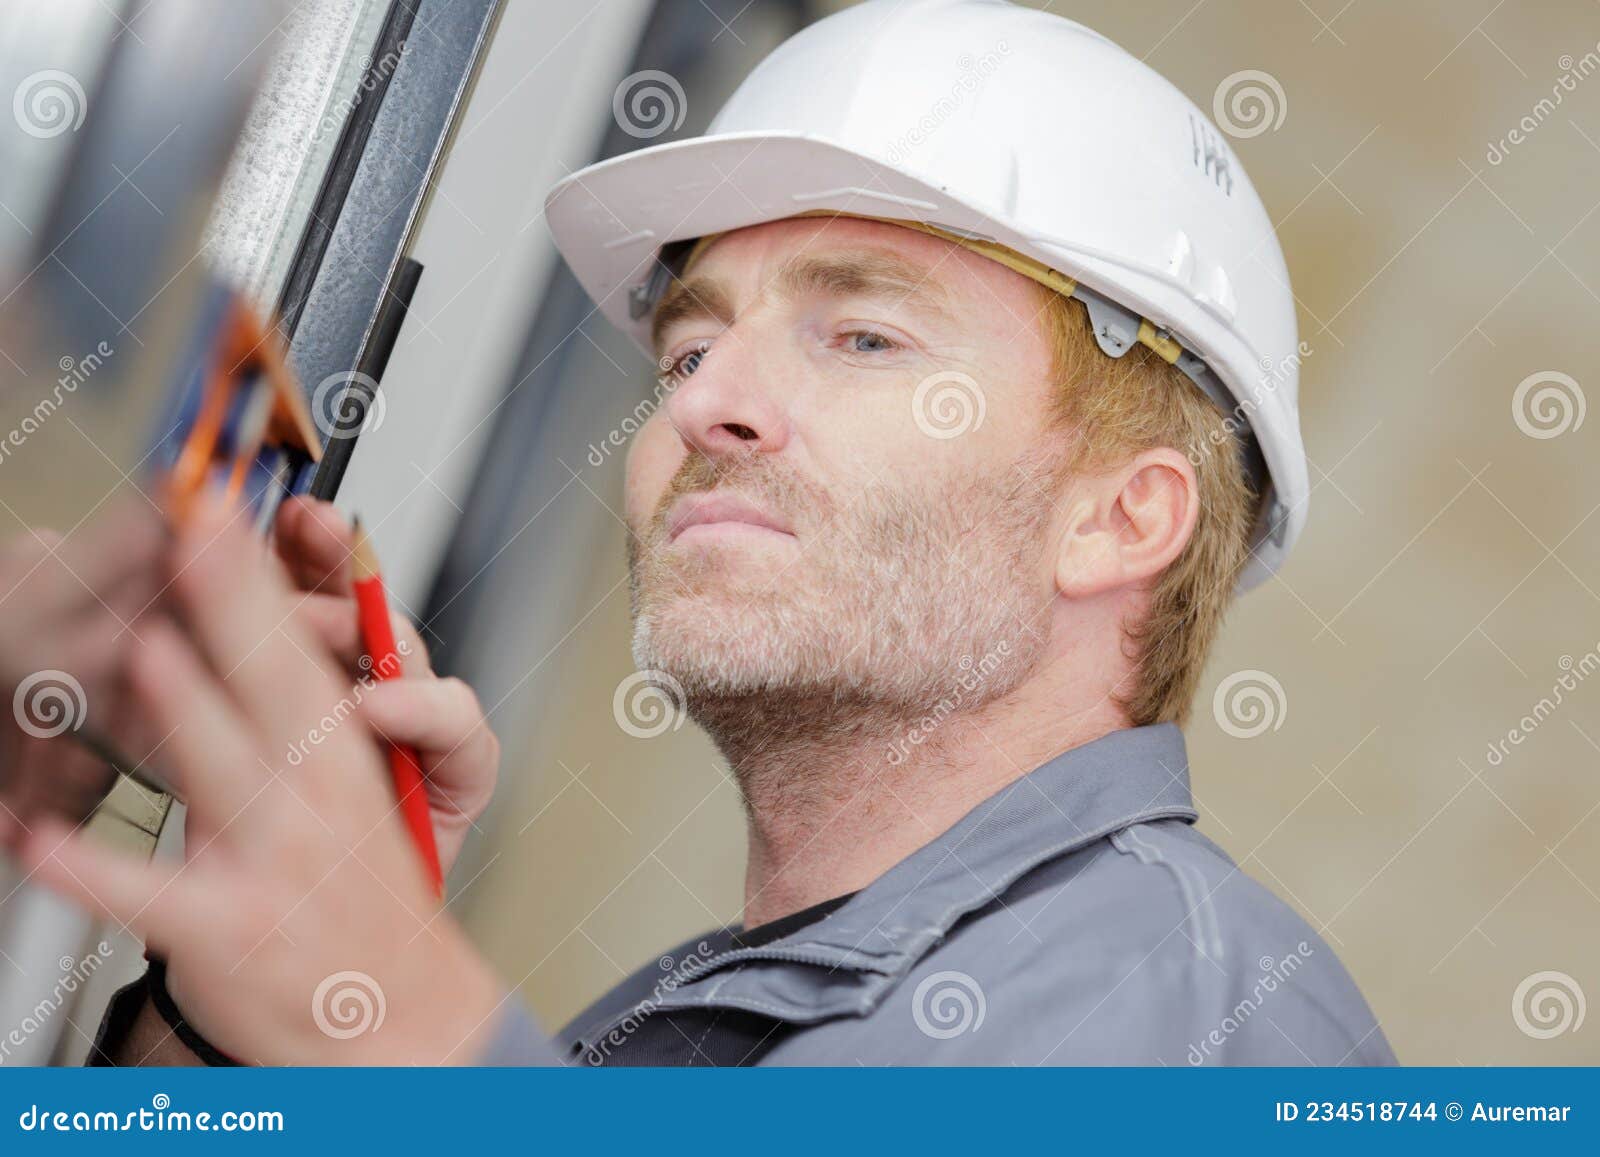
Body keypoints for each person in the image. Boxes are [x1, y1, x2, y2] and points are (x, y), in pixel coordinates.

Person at [0, 0, 1392, 1065]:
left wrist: (413, 1036)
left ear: (1121, 515)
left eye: (861, 332)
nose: (707, 403)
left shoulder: (1176, 1005)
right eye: (685, 351)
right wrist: (246, 970)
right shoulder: (698, 1026)